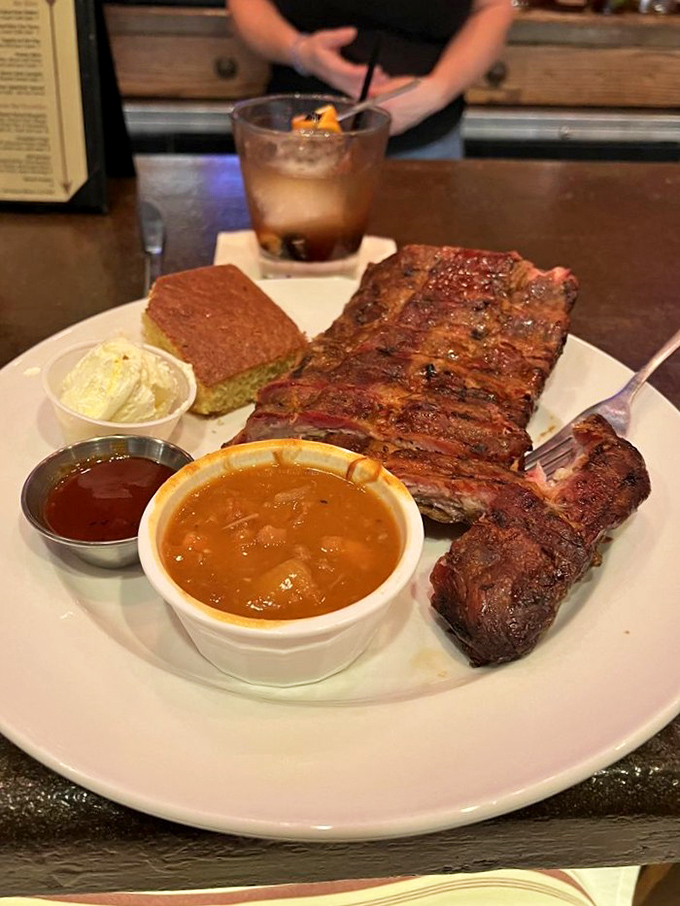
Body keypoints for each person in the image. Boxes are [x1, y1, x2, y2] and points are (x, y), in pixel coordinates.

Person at [227, 0, 514, 159]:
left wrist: (439, 88)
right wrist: (299, 50)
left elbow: (494, 6)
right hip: (295, 134)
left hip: (427, 144)